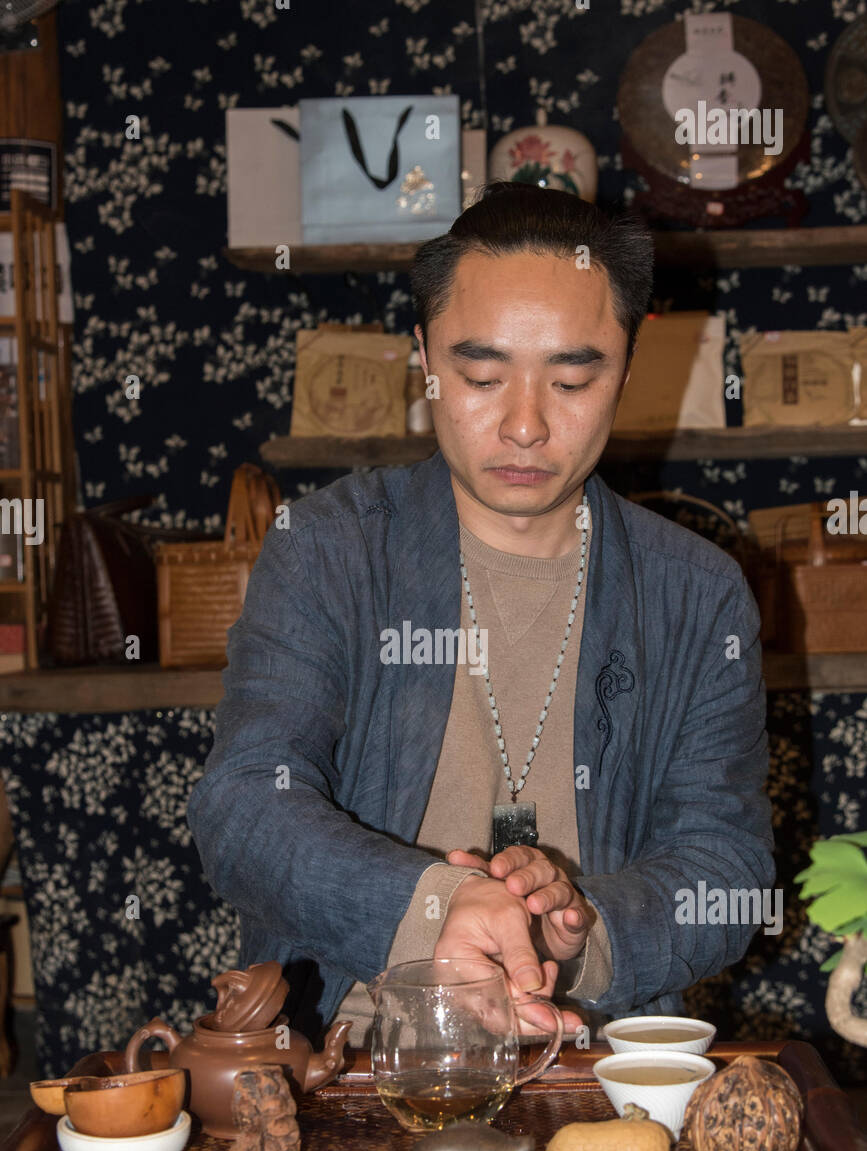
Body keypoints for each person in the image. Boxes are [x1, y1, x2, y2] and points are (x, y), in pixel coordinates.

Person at [187, 181, 775, 1047]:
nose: (526, 425)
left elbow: (724, 867)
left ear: (625, 370)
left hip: (589, 1058)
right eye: (481, 374)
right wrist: (438, 909)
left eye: (573, 377)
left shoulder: (694, 593)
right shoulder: (332, 551)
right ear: (424, 356)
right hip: (348, 1058)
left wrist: (577, 933)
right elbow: (242, 805)